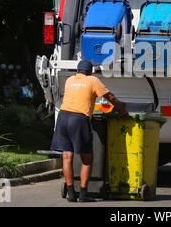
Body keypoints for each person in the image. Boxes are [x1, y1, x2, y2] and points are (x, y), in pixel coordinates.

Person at [51, 60, 128, 202]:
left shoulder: (69, 80)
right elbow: (110, 97)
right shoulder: (93, 80)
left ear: (78, 71)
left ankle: (71, 193)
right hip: (79, 119)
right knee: (87, 159)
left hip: (63, 117)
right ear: (90, 71)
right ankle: (83, 194)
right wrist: (123, 111)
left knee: (67, 157)